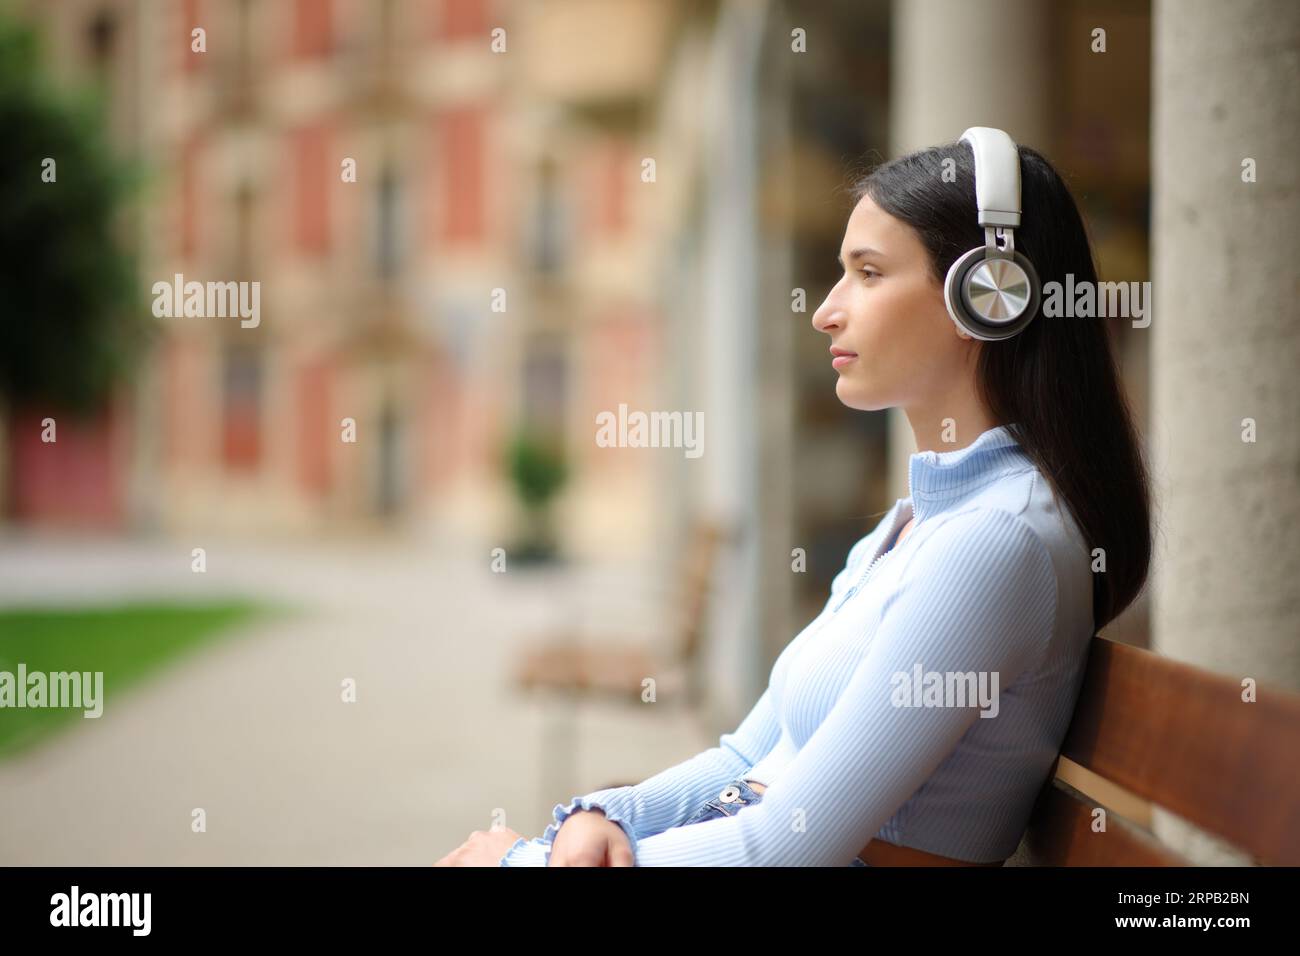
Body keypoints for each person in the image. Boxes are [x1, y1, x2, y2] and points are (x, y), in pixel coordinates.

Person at [436, 129, 1151, 867]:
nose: (827, 310)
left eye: (868, 273)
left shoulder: (995, 544)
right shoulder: (912, 527)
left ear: (985, 296)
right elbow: (747, 753)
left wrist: (520, 863)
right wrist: (594, 817)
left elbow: (785, 847)